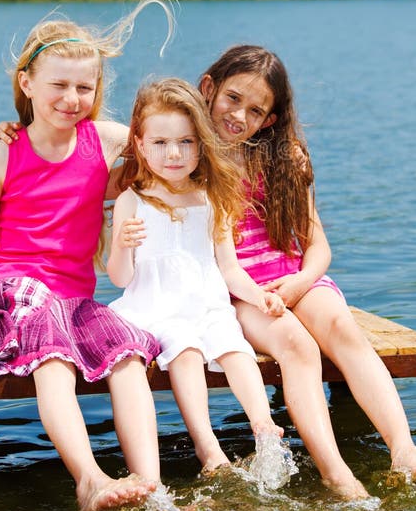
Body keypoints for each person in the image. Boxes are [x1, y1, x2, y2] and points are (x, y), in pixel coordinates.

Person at [0, 0, 177, 511]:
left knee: (127, 351)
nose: (72, 98)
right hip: (13, 288)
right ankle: (89, 481)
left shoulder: (104, 142)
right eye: (58, 85)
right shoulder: (0, 154)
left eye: (84, 87)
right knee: (54, 353)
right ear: (27, 84)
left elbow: (177, 143)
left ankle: (151, 485)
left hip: (73, 298)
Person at [198, 45, 416, 492]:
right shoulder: (187, 155)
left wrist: (300, 282)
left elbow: (317, 246)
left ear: (270, 120)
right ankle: (337, 473)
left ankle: (404, 448)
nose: (239, 115)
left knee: (342, 327)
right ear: (209, 88)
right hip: (236, 290)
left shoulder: (283, 160)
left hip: (294, 276)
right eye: (232, 98)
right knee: (298, 348)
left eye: (256, 110)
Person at [106, 78, 290, 476]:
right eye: (159, 143)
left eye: (187, 142)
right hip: (156, 309)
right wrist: (120, 243)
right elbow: (120, 278)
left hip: (207, 303)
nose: (173, 154)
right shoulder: (131, 201)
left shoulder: (211, 198)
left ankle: (263, 426)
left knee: (234, 345)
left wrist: (259, 297)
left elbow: (229, 268)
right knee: (186, 351)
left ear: (201, 144)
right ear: (139, 144)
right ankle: (207, 447)